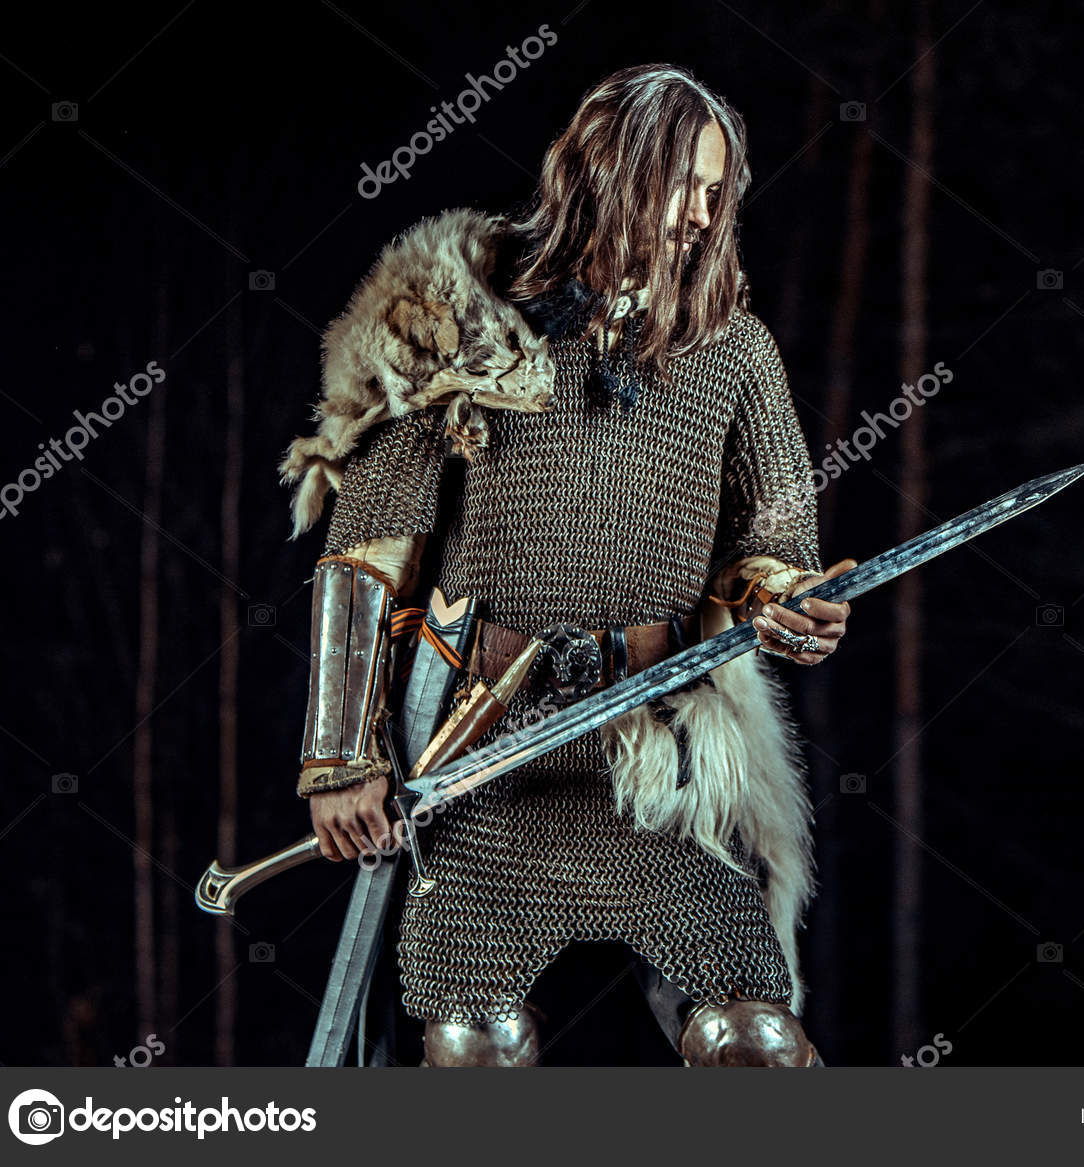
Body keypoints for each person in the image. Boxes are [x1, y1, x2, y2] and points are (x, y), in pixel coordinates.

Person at [278, 63, 853, 1066]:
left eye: (717, 191)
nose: (703, 216)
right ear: (614, 170)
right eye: (685, 185)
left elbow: (771, 541)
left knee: (754, 1044)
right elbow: (365, 553)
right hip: (484, 747)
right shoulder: (466, 331)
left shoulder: (733, 352)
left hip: (656, 755)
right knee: (475, 1051)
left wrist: (785, 599)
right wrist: (340, 759)